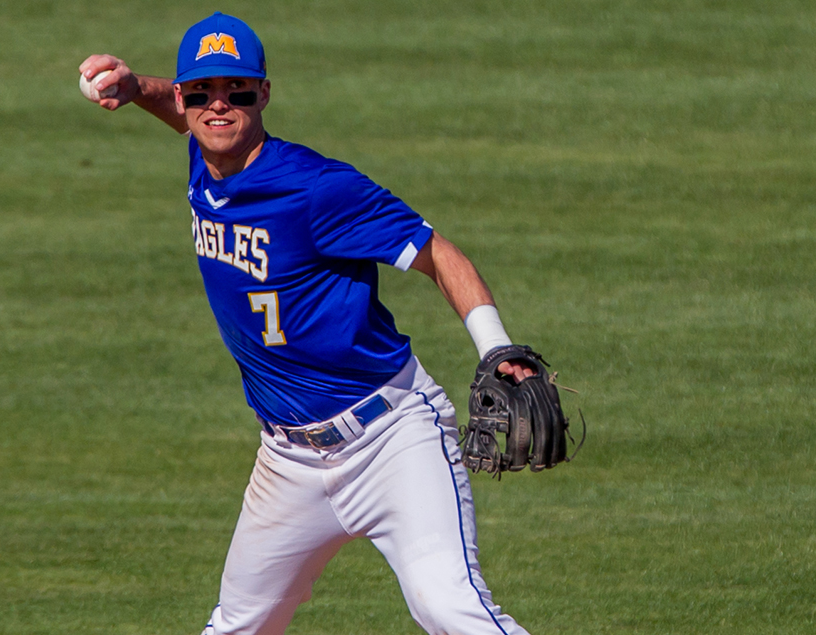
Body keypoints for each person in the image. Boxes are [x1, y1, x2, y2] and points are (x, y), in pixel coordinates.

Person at [80, 12, 537, 635]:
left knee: (448, 607)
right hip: (287, 461)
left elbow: (437, 253)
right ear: (183, 99)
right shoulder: (203, 157)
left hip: (390, 438)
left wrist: (496, 347)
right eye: (203, 92)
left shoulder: (318, 188)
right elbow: (194, 115)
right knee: (238, 625)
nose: (220, 106)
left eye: (239, 91)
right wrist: (137, 89)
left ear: (264, 95)